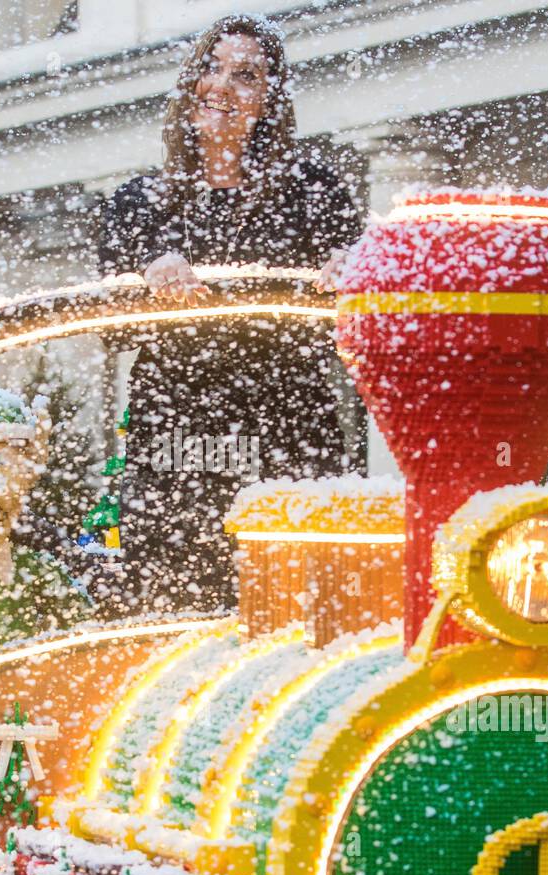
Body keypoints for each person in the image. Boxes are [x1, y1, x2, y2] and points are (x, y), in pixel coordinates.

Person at [97, 13, 365, 613]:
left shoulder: (313, 188)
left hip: (288, 421)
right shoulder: (139, 202)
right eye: (210, 69)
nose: (220, 86)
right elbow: (109, 328)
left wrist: (353, 264)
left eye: (244, 75)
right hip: (178, 431)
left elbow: (362, 278)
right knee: (178, 601)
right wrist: (146, 275)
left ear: (270, 99)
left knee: (302, 601)